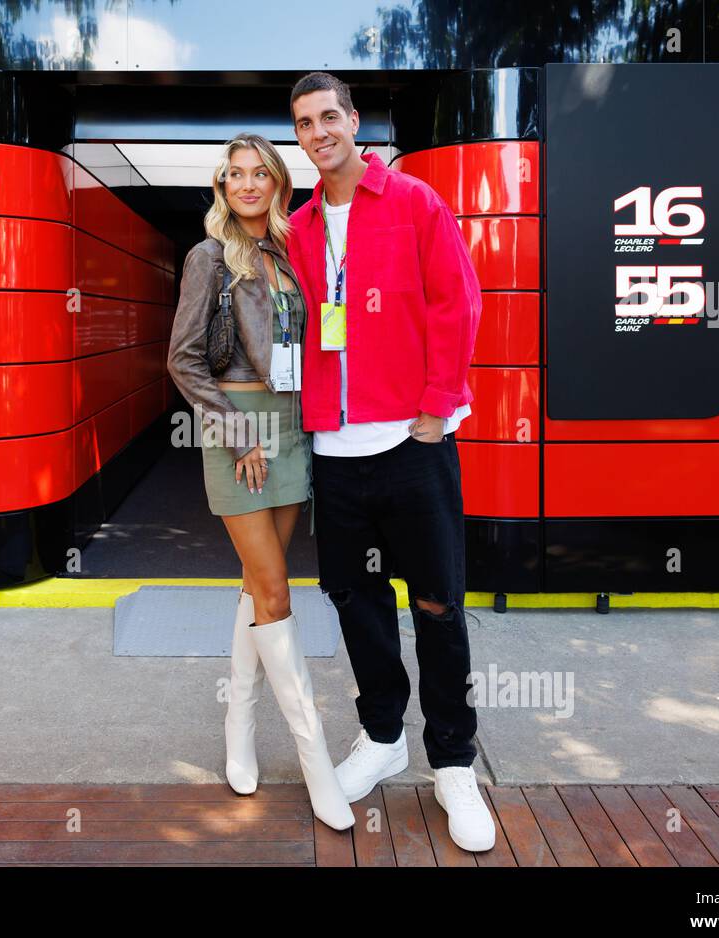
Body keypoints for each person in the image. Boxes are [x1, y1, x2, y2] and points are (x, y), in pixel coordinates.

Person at [285, 72, 496, 851]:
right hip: (336, 452)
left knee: (437, 603)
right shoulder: (301, 225)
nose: (318, 132)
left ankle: (453, 763)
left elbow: (457, 301)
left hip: (413, 444)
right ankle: (382, 737)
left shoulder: (411, 201)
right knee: (354, 598)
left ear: (354, 121)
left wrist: (439, 408)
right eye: (304, 123)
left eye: (328, 116)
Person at [166, 133, 354, 831]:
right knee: (276, 591)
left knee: (256, 584)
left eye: (260, 174)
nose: (247, 185)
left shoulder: (294, 253)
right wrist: (235, 431)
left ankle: (237, 730)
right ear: (224, 185)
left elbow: (321, 336)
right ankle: (316, 763)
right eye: (235, 174)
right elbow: (184, 361)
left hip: (292, 425)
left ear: (279, 183)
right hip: (238, 427)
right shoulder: (208, 257)